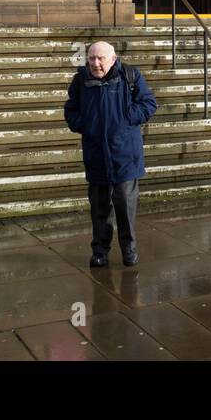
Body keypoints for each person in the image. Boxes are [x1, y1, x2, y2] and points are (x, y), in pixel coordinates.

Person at [64, 41, 158, 268]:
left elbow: (149, 103)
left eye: (100, 59)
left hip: (125, 154)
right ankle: (100, 251)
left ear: (113, 59)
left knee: (125, 205)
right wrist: (83, 124)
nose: (95, 63)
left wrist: (126, 118)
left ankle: (129, 249)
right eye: (91, 58)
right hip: (96, 155)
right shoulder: (81, 81)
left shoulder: (130, 77)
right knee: (99, 208)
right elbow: (71, 109)